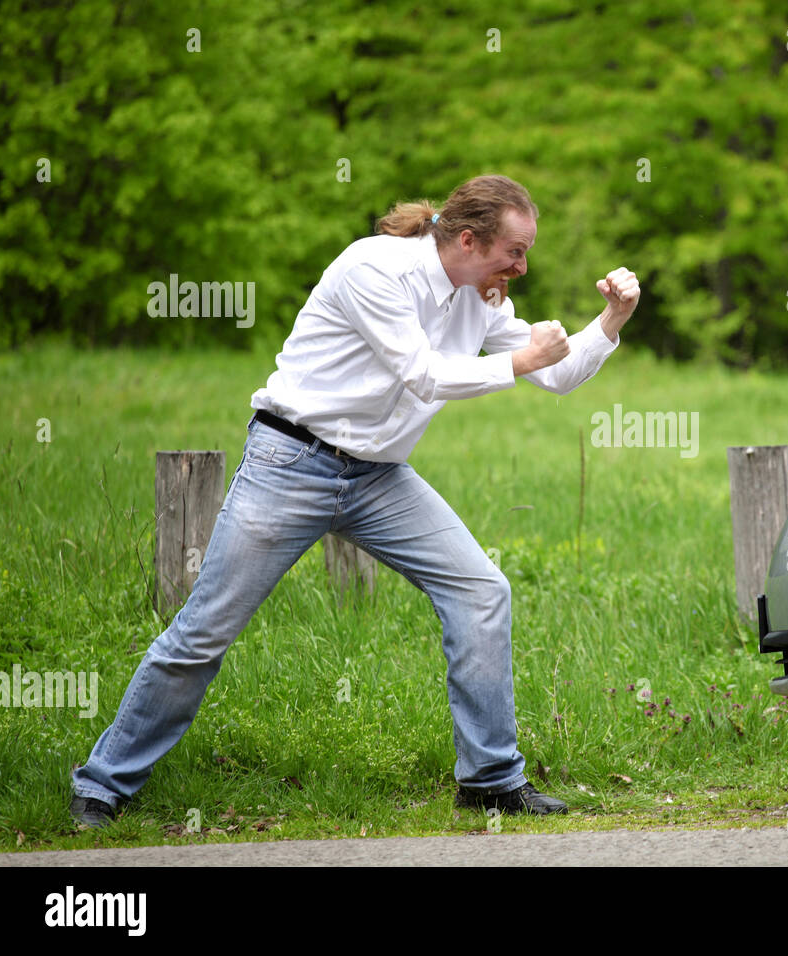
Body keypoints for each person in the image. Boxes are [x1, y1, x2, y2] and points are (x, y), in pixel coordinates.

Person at [69, 174, 640, 826]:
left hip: (378, 479)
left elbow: (559, 375)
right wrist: (519, 359)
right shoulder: (375, 269)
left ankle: (489, 781)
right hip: (291, 464)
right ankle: (103, 786)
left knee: (483, 591)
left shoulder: (482, 296)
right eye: (514, 251)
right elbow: (422, 374)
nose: (522, 266)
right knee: (204, 633)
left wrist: (610, 320)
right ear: (466, 238)